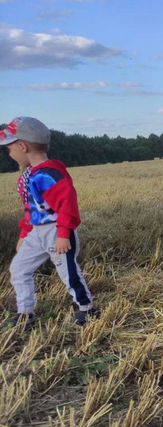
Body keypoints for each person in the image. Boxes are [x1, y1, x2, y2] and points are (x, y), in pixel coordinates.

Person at [1, 117, 98, 330]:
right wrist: (24, 234)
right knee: (18, 269)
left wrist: (64, 234)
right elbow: (31, 209)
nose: (9, 154)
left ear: (22, 146)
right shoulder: (28, 176)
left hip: (56, 232)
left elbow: (68, 205)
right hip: (37, 233)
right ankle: (25, 313)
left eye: (9, 149)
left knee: (69, 274)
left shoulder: (49, 174)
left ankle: (87, 308)